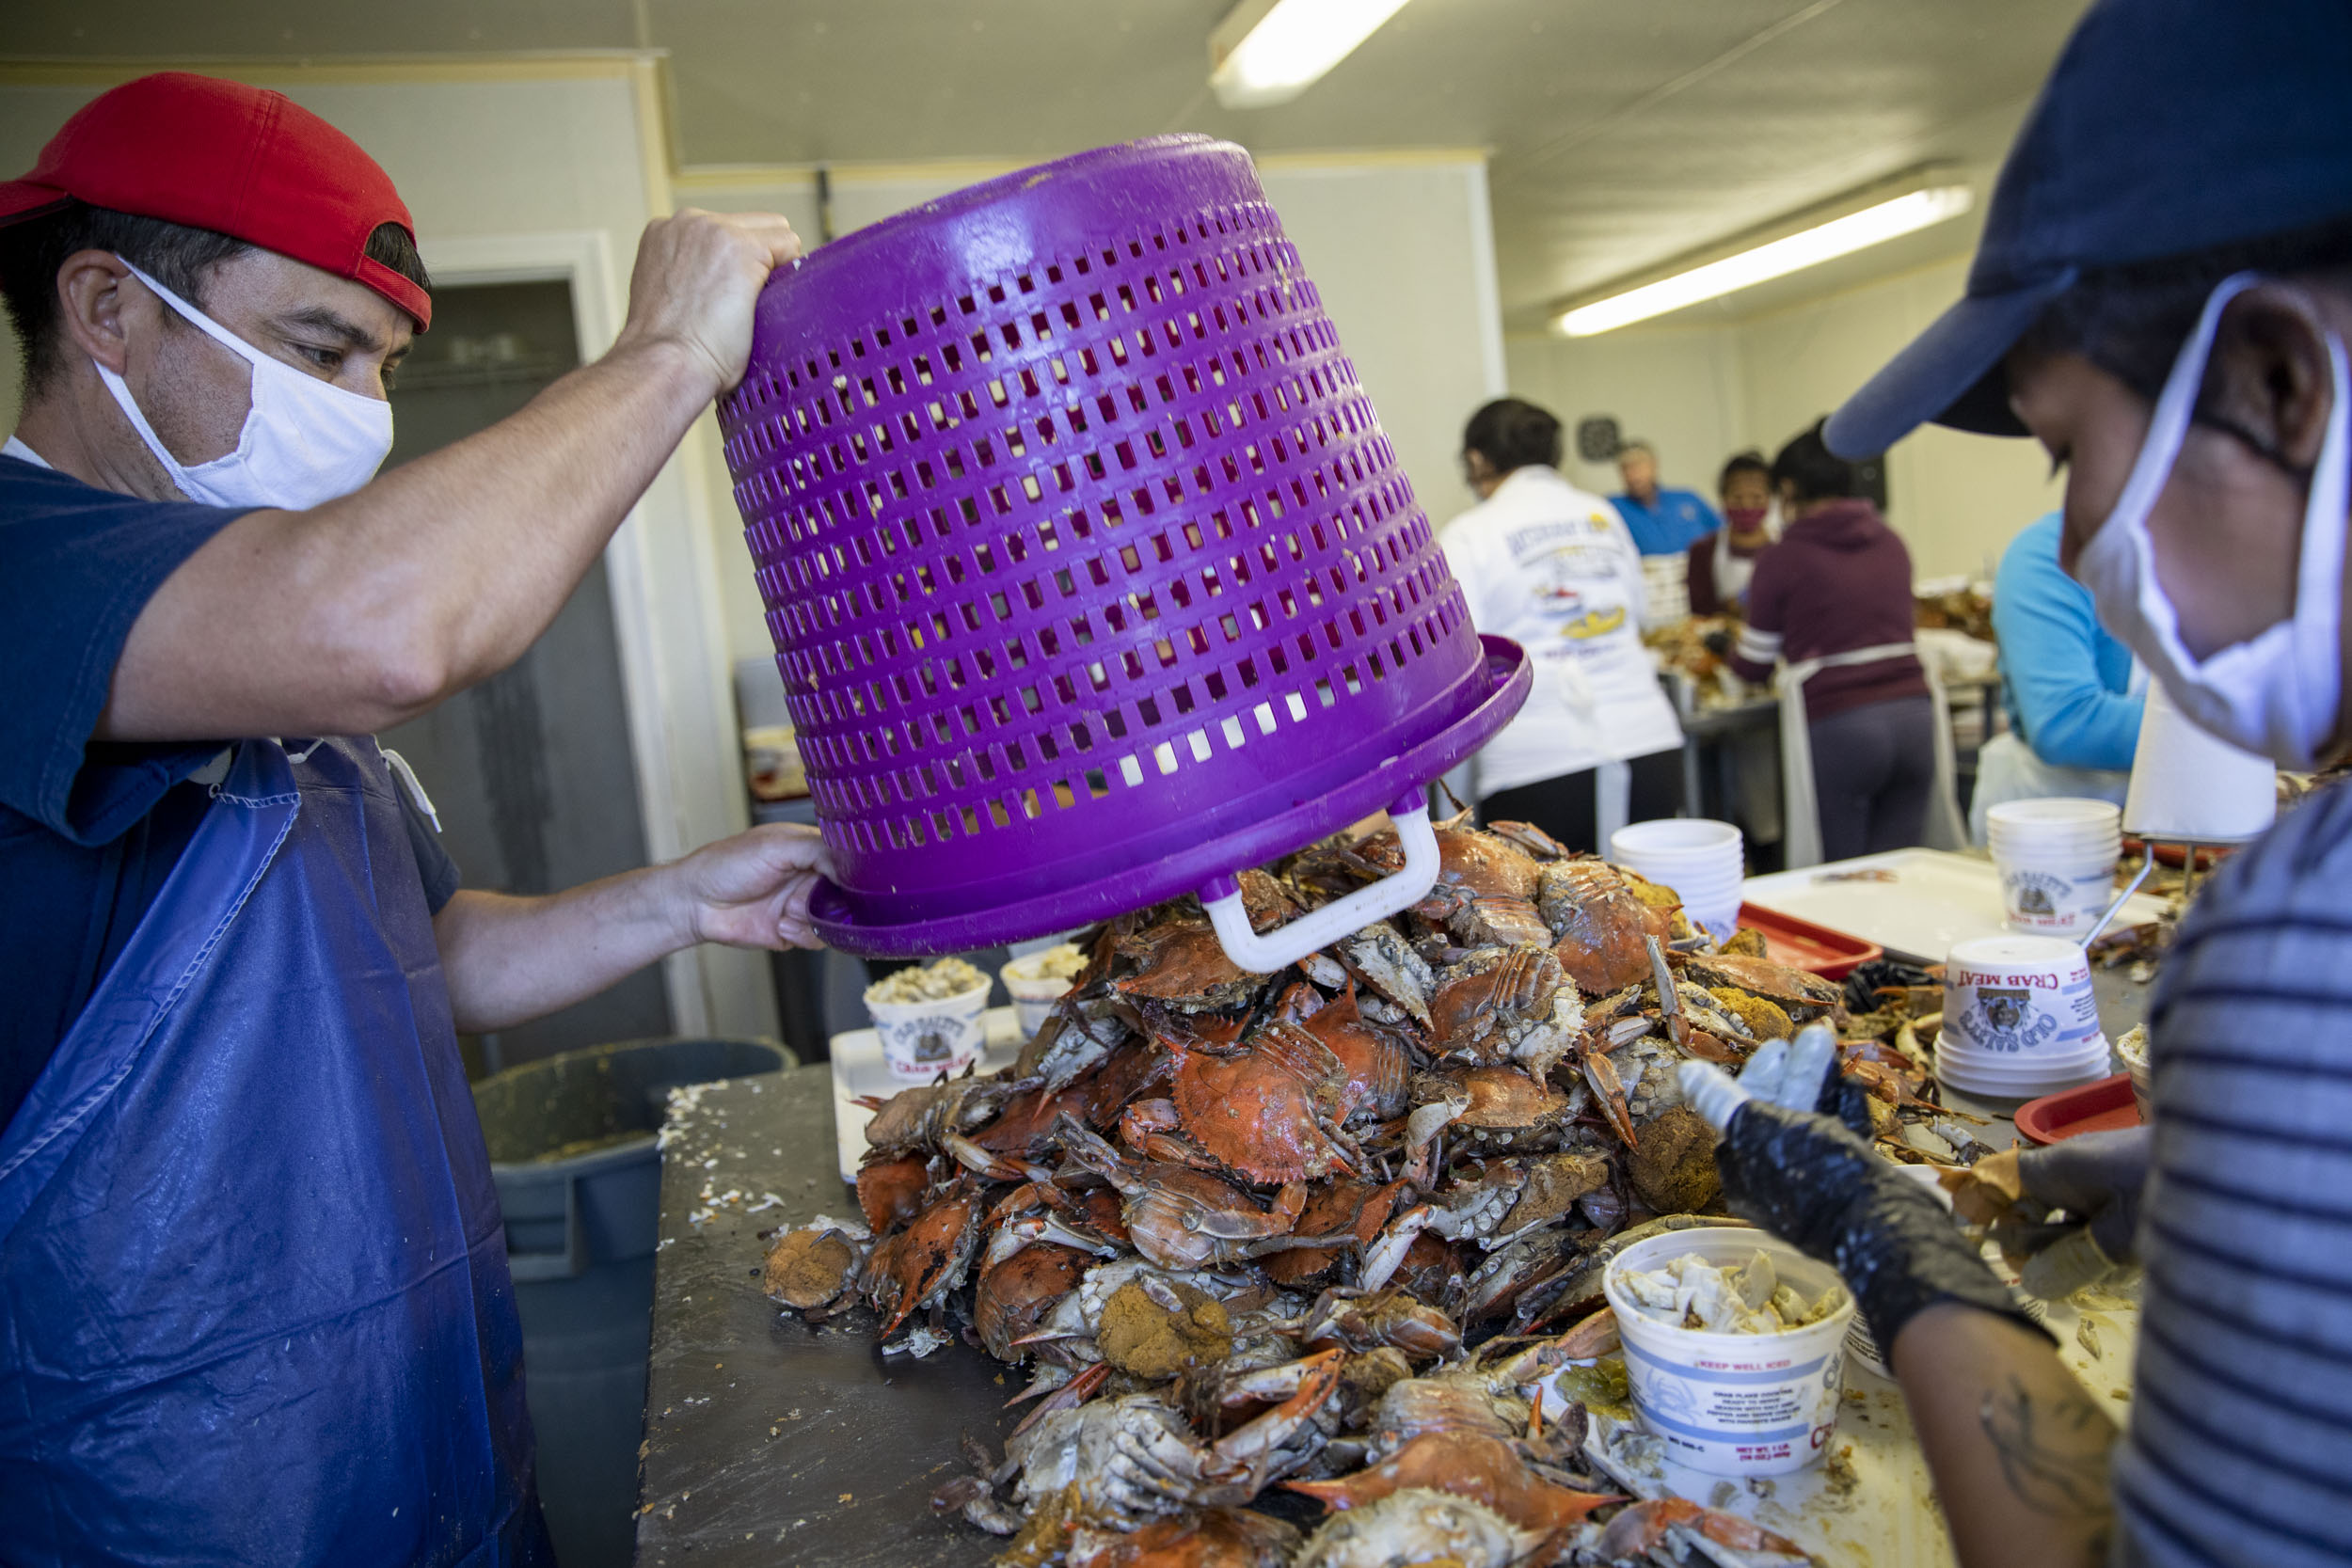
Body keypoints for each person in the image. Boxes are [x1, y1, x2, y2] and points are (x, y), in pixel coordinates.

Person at [0, 74, 825, 1561]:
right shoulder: (30, 569)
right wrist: (666, 353)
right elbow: (388, 628)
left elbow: (415, 958)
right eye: (321, 350)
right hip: (179, 1497)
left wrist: (687, 897)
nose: (364, 414)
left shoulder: (236, 626)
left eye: (381, 365)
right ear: (104, 308)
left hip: (428, 1438)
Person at [1700, 3, 2352, 1564]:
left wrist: (1897, 1243)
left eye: (2067, 452)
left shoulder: (2302, 940)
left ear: (2278, 382)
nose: (2067, 546)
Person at [1442, 397, 1684, 850]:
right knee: (1654, 911)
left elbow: (1454, 651)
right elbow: (1641, 612)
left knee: (1544, 919)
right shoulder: (1602, 515)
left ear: (1477, 460)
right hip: (1648, 742)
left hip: (1538, 761)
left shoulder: (1470, 532)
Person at [1726, 421, 1949, 863]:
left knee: (1842, 878)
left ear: (1788, 488)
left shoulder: (1783, 557)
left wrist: (1725, 648)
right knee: (1899, 869)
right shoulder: (1891, 540)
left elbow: (1754, 664)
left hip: (1843, 729)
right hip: (1916, 720)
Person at [1969, 510, 2145, 842]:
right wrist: (2232, 734)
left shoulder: (2194, 550)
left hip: (2165, 817)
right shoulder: (2048, 554)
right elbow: (2065, 723)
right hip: (2056, 825)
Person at [1684, 449, 1776, 616]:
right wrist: (1729, 607)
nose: (1747, 506)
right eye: (1737, 498)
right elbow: (1699, 612)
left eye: (1756, 497)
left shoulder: (1785, 546)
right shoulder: (1703, 551)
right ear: (1723, 498)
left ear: (1769, 498)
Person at [1611, 436, 1723, 556]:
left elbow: (1723, 533)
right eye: (1627, 468)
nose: (1634, 475)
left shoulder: (1688, 499)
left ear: (1654, 465)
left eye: (1639, 466)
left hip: (1694, 570)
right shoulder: (1613, 508)